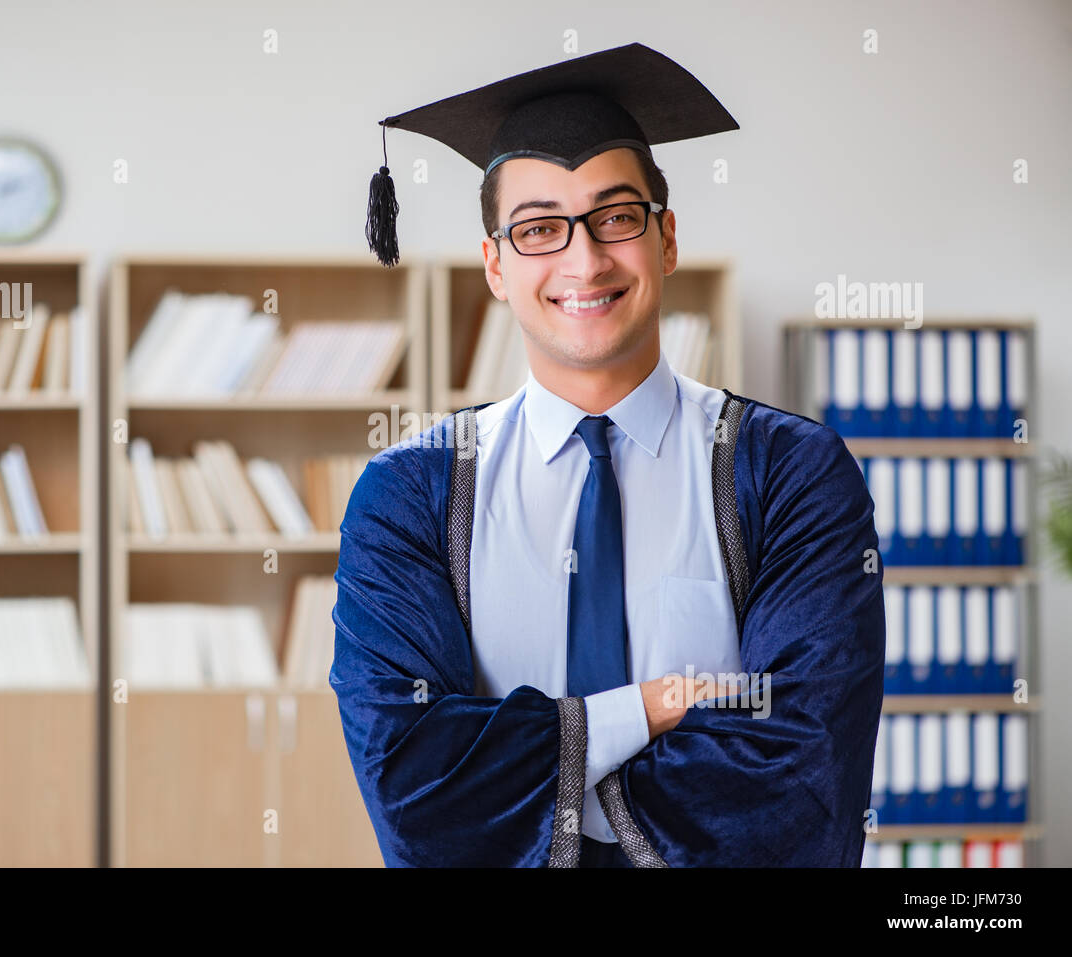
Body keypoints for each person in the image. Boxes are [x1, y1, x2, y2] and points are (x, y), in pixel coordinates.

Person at [332, 42, 885, 867]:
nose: (584, 259)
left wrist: (524, 764)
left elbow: (805, 773)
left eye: (617, 217)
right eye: (539, 229)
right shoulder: (410, 492)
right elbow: (412, 780)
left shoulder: (790, 472)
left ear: (665, 240)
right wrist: (649, 708)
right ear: (495, 265)